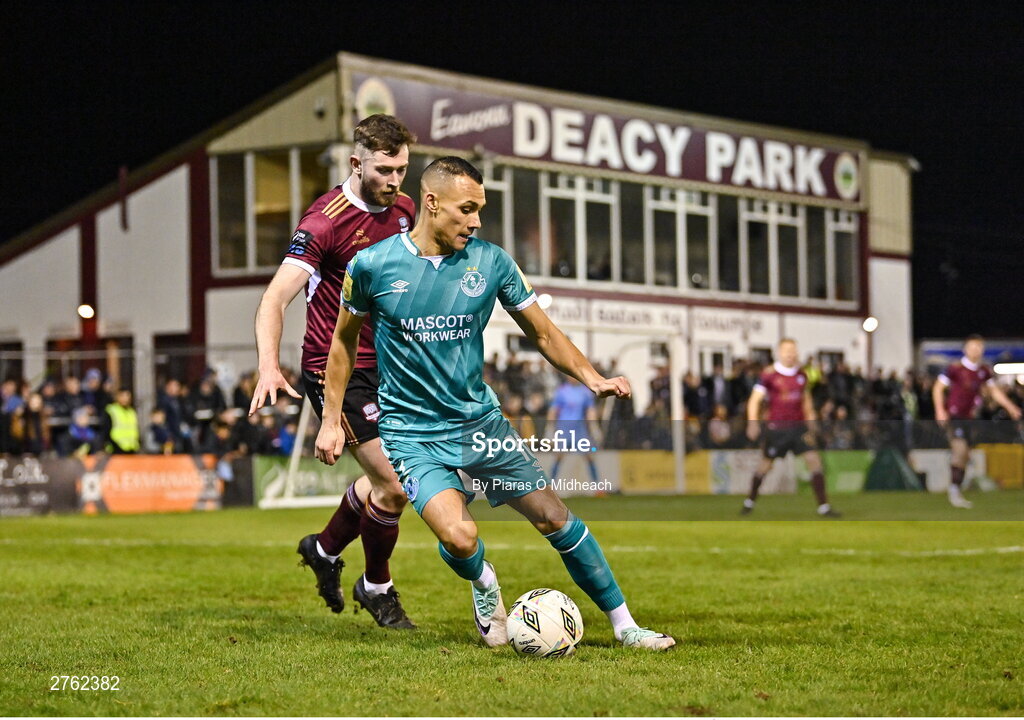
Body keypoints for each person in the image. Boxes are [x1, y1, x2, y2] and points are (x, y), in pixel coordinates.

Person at [315, 157, 674, 651]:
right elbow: (341, 345)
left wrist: (592, 377)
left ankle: (625, 624)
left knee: (555, 518)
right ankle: (485, 584)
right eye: (467, 209)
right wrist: (331, 420)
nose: (477, 221)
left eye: (481, 210)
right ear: (432, 203)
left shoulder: (492, 262)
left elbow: (542, 332)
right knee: (460, 539)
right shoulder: (372, 266)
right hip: (413, 434)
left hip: (480, 425)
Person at [250, 114, 417, 629]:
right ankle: (377, 587)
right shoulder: (323, 221)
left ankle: (323, 550)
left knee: (391, 482)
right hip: (334, 368)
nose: (395, 181)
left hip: (390, 366)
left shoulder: (407, 210)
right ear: (356, 162)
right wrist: (267, 365)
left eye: (403, 170)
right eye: (385, 170)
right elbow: (274, 299)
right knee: (394, 483)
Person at [742, 338, 840, 517]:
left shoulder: (801, 375)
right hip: (777, 428)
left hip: (799, 428)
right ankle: (749, 501)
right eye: (787, 350)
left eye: (793, 350)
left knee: (814, 461)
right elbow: (754, 400)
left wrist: (811, 422)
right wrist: (752, 422)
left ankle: (824, 507)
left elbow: (806, 401)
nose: (790, 354)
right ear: (779, 352)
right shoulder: (769, 375)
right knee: (765, 466)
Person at [932, 335, 1021, 508]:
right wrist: (939, 410)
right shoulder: (954, 369)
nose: (975, 350)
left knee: (965, 455)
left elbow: (994, 391)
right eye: (972, 346)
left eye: (979, 347)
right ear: (965, 349)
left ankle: (956, 489)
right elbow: (938, 388)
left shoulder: (983, 371)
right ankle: (954, 491)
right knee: (960, 450)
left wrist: (1011, 407)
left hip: (970, 419)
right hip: (954, 416)